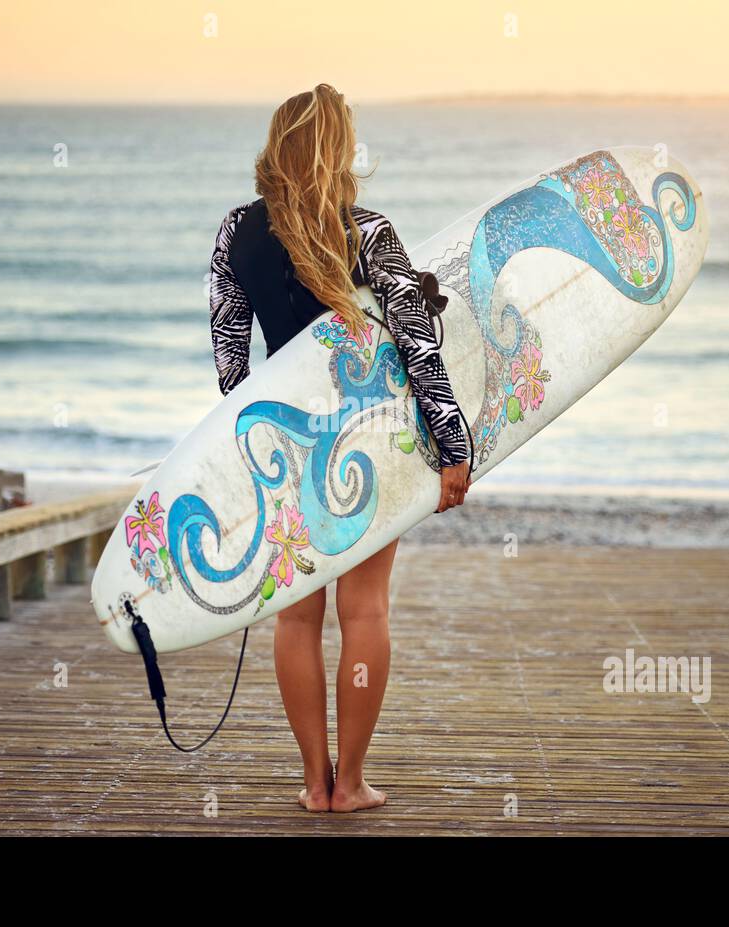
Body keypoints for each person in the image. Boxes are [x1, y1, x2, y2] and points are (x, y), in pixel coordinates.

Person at [208, 83, 470, 812]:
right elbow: (421, 350)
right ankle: (350, 784)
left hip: (286, 446)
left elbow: (232, 364)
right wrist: (454, 447)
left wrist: (240, 456)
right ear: (338, 150)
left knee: (296, 616)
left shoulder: (236, 233)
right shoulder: (370, 232)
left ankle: (312, 783)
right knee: (367, 611)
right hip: (371, 445)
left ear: (276, 147)